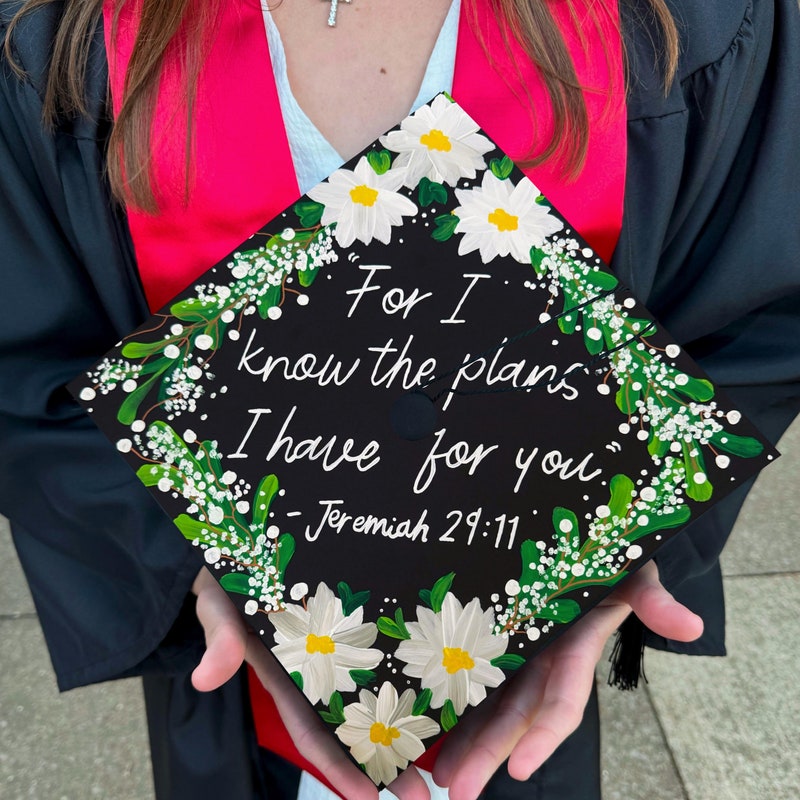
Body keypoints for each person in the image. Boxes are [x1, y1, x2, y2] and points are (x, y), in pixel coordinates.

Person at [1, 0, 798, 799]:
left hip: (519, 649)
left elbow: (751, 306)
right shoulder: (60, 29)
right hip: (234, 670)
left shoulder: (691, 21)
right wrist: (181, 557)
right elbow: (28, 356)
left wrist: (624, 531)